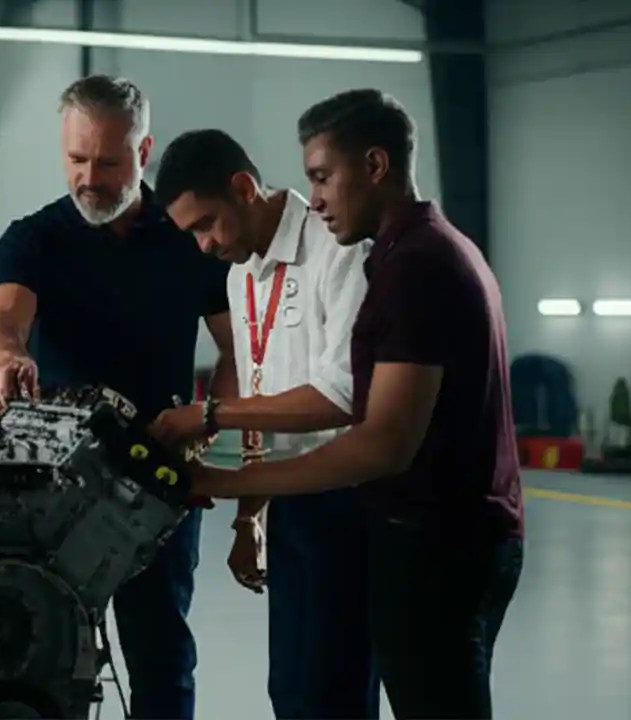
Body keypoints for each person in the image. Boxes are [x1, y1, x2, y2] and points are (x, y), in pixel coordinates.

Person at [189, 88, 525, 719]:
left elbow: (380, 442)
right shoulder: (422, 251)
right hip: (437, 535)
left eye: (322, 177)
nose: (313, 198)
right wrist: (251, 510)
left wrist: (223, 461)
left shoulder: (416, 265)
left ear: (375, 166)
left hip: (439, 541)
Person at [0, 75, 237, 720]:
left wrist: (209, 420)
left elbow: (242, 348)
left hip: (159, 477)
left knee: (160, 653)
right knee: (37, 646)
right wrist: (7, 355)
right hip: (52, 483)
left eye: (109, 162)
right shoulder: (33, 239)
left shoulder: (190, 238)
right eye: (77, 159)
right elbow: (1, 323)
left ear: (143, 152)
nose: (90, 177)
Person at [148, 129, 378, 719]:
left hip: (351, 504)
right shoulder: (239, 273)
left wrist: (206, 416)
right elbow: (262, 399)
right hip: (291, 505)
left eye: (206, 225)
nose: (203, 245)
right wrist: (251, 515)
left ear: (243, 188)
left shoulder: (340, 249)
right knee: (291, 695)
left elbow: (344, 393)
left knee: (335, 694)